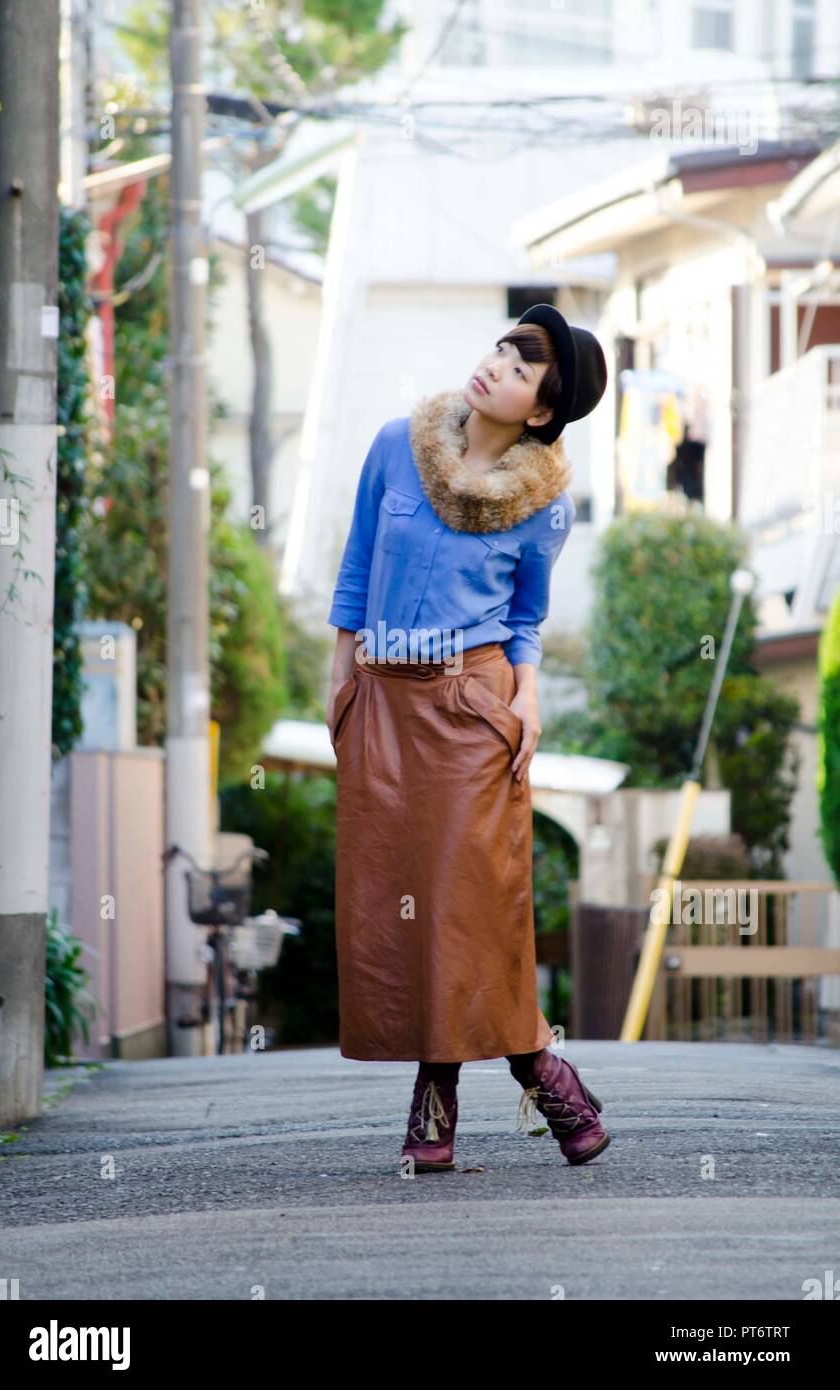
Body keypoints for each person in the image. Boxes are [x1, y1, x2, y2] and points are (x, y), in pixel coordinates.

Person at [325, 303, 610, 1172]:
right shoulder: (392, 445)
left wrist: (526, 698)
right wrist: (339, 686)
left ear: (539, 412)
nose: (494, 365)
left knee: (470, 901)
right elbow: (353, 567)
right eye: (501, 349)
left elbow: (526, 619)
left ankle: (439, 1096)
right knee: (392, 902)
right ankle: (540, 1068)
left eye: (520, 368)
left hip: (470, 707)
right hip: (381, 697)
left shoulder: (541, 508)